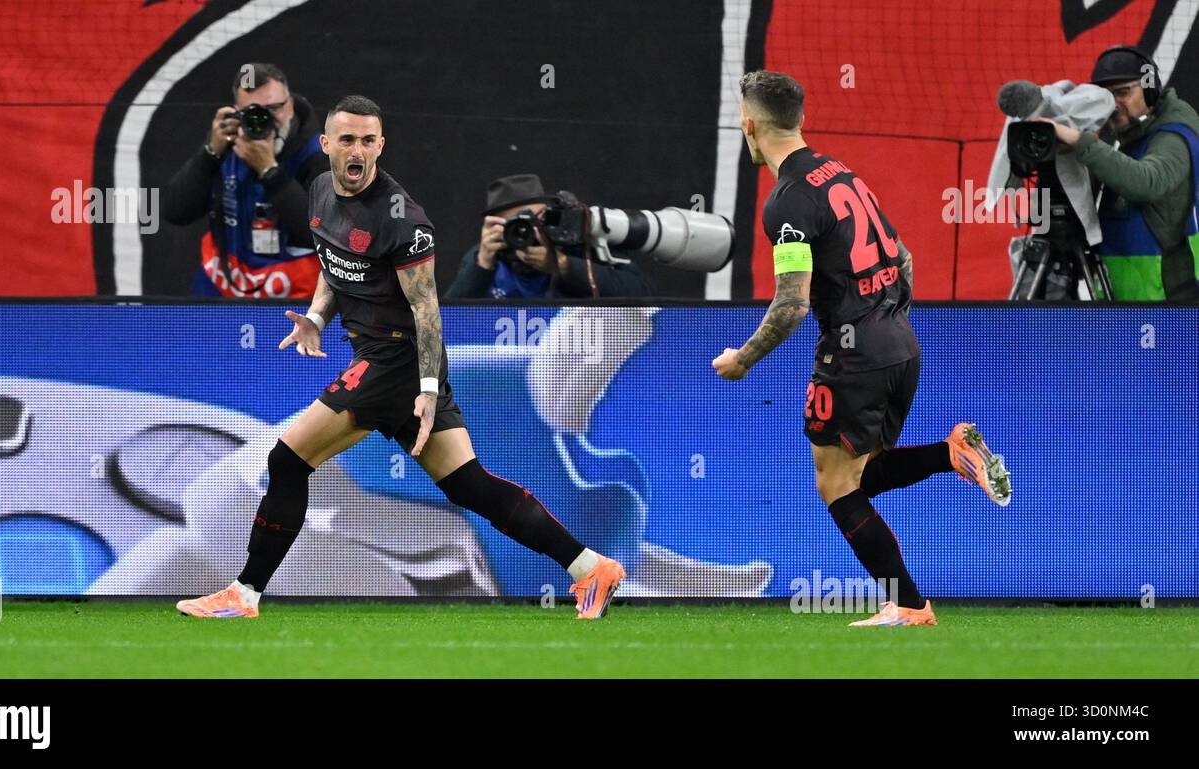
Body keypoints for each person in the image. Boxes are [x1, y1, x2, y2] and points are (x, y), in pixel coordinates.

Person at [176, 95, 626, 620]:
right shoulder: (320, 190)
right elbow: (332, 260)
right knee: (470, 485)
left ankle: (244, 594)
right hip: (392, 366)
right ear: (326, 145)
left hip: (397, 364)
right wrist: (318, 318)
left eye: (369, 140)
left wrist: (429, 390)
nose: (358, 150)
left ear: (381, 146)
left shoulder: (403, 219)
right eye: (347, 139)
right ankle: (589, 567)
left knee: (287, 459)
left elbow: (428, 313)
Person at [712, 71, 1012, 626]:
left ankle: (909, 604)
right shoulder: (841, 173)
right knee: (861, 472)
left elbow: (792, 305)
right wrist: (888, 322)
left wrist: (743, 360)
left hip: (854, 356)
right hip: (900, 346)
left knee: (834, 483)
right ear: (798, 120)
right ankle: (950, 454)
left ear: (749, 125)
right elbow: (904, 259)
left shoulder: (787, 202)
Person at [1040, 45, 1199, 301]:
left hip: (1167, 301)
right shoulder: (1132, 136)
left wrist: (1079, 141)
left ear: (1150, 89)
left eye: (1123, 92)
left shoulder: (1174, 135)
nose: (1112, 104)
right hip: (1130, 300)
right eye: (1104, 96)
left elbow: (1147, 182)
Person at [162, 63, 326, 298]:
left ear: (289, 106)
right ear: (237, 112)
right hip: (222, 288)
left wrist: (270, 171)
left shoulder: (317, 155)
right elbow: (175, 212)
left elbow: (321, 234)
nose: (265, 120)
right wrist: (209, 154)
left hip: (289, 301)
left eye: (274, 109)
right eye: (253, 112)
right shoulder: (227, 144)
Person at [444, 174, 651, 298]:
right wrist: (481, 265)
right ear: (495, 226)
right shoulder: (488, 256)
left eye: (533, 219)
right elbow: (447, 325)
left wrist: (563, 265)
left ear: (548, 214)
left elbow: (643, 294)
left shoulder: (575, 243)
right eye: (515, 223)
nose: (526, 230)